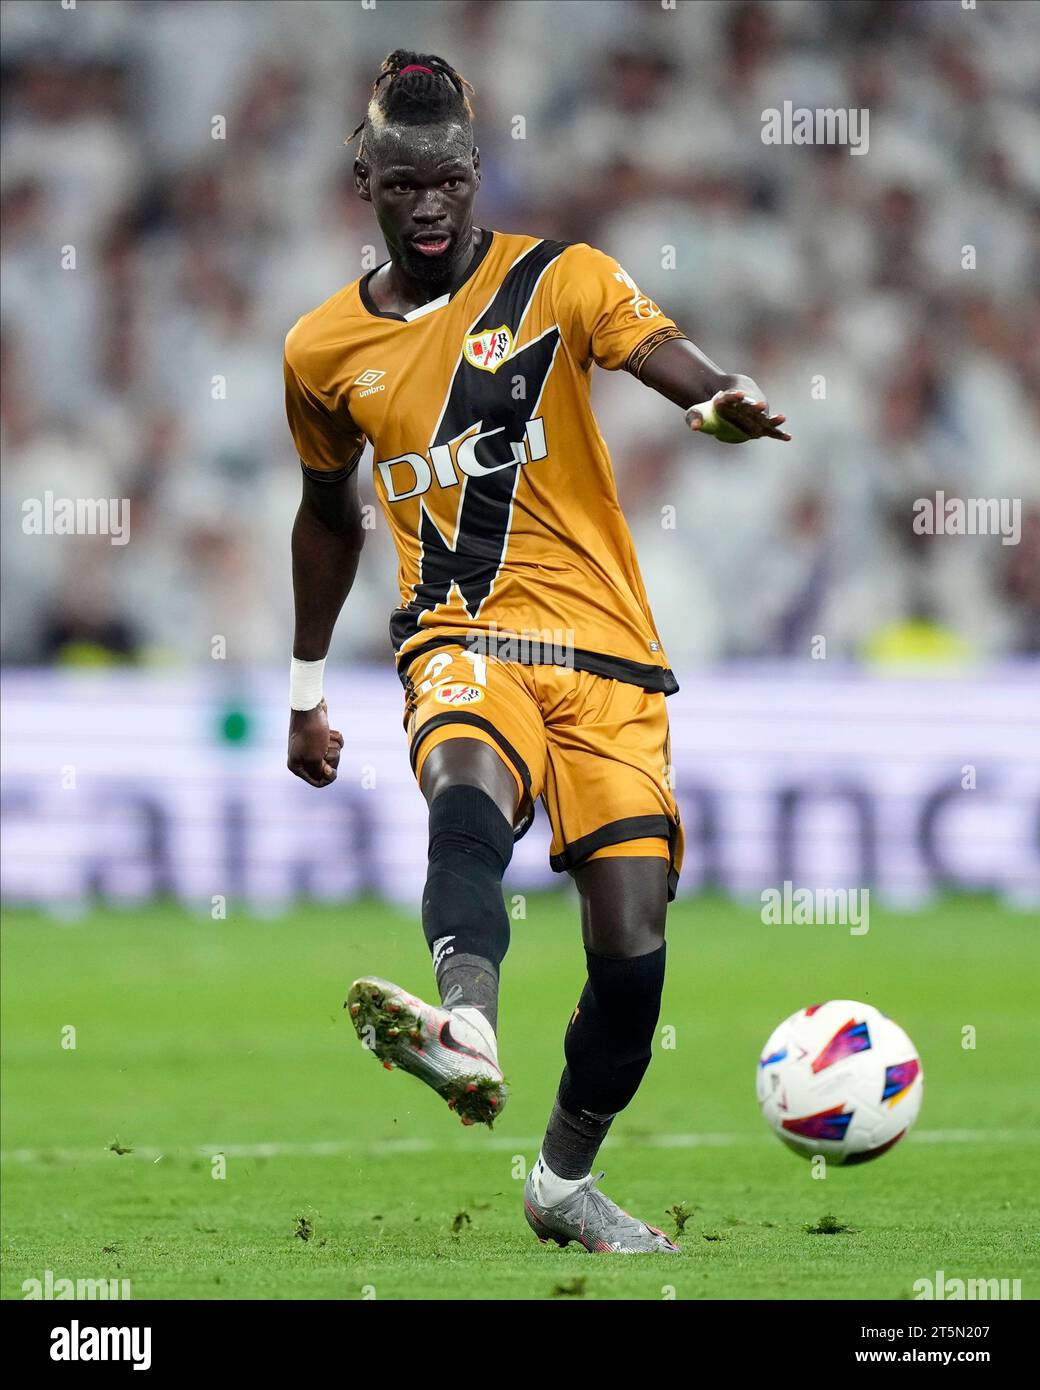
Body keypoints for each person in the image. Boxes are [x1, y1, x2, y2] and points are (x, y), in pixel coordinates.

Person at [284, 50, 788, 1254]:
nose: (426, 205)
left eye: (448, 179)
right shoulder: (318, 352)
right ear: (362, 175)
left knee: (630, 947)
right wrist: (304, 687)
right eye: (401, 181)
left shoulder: (559, 279)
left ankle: (563, 1179)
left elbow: (664, 358)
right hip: (462, 638)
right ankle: (464, 1025)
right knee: (463, 776)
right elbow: (326, 514)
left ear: (476, 172)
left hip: (608, 658)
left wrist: (714, 399)